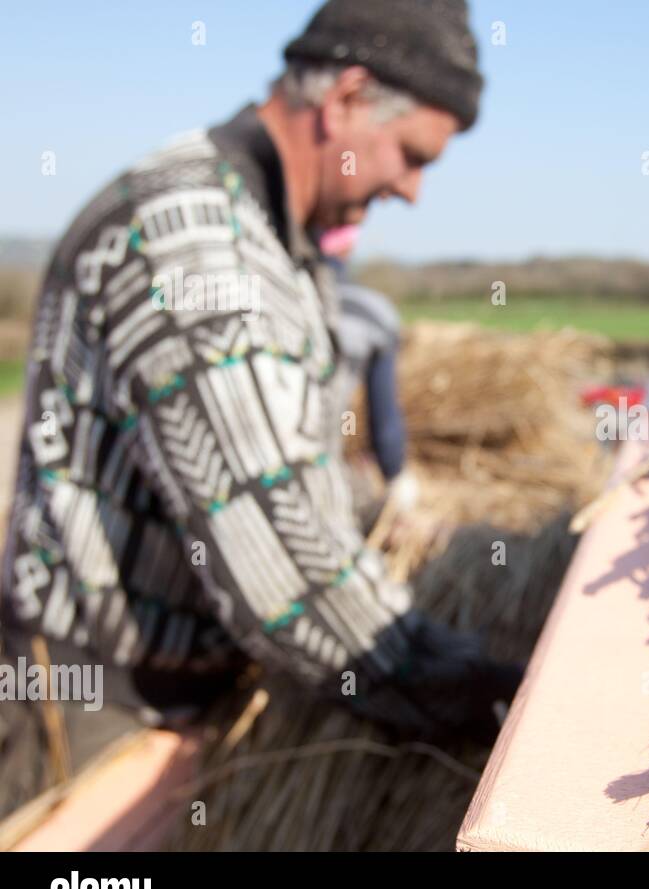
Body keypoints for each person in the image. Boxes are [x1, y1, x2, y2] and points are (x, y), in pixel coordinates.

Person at [0, 0, 520, 816]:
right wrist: (489, 694)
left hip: (158, 695)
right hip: (93, 711)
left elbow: (286, 458)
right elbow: (284, 563)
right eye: (413, 156)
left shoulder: (274, 237)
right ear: (346, 100)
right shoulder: (197, 246)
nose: (413, 191)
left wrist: (387, 515)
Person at [317, 224, 420, 519]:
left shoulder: (267, 299)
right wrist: (396, 478)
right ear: (348, 247)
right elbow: (385, 424)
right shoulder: (372, 311)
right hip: (319, 469)